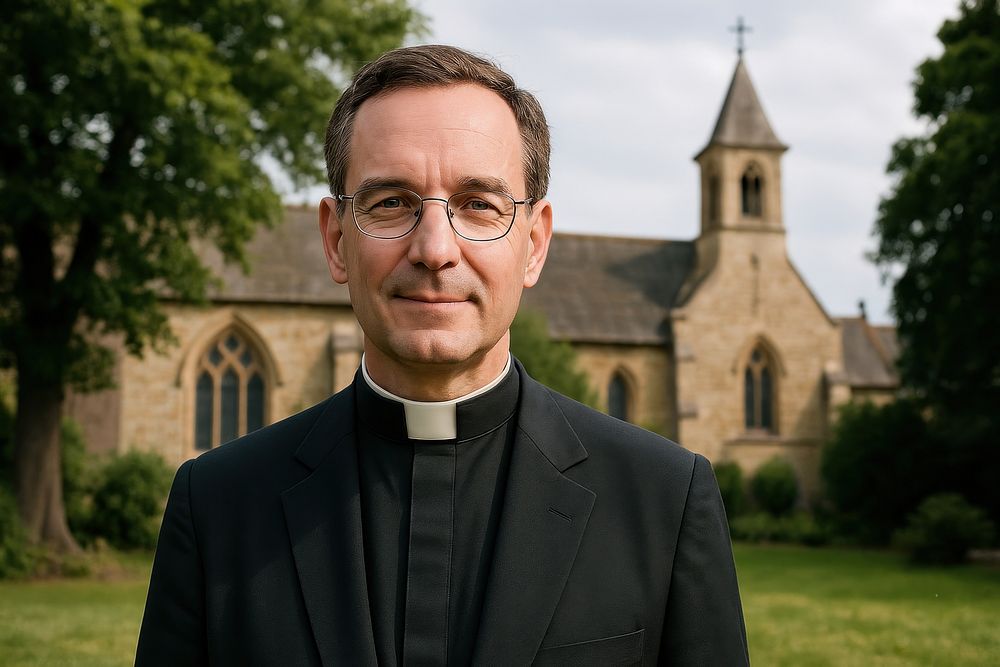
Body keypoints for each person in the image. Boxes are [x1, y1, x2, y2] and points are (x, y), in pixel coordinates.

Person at [135, 44, 748, 666]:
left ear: (534, 244)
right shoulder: (216, 505)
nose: (435, 249)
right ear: (335, 240)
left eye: (478, 205)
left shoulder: (664, 500)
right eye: (390, 203)